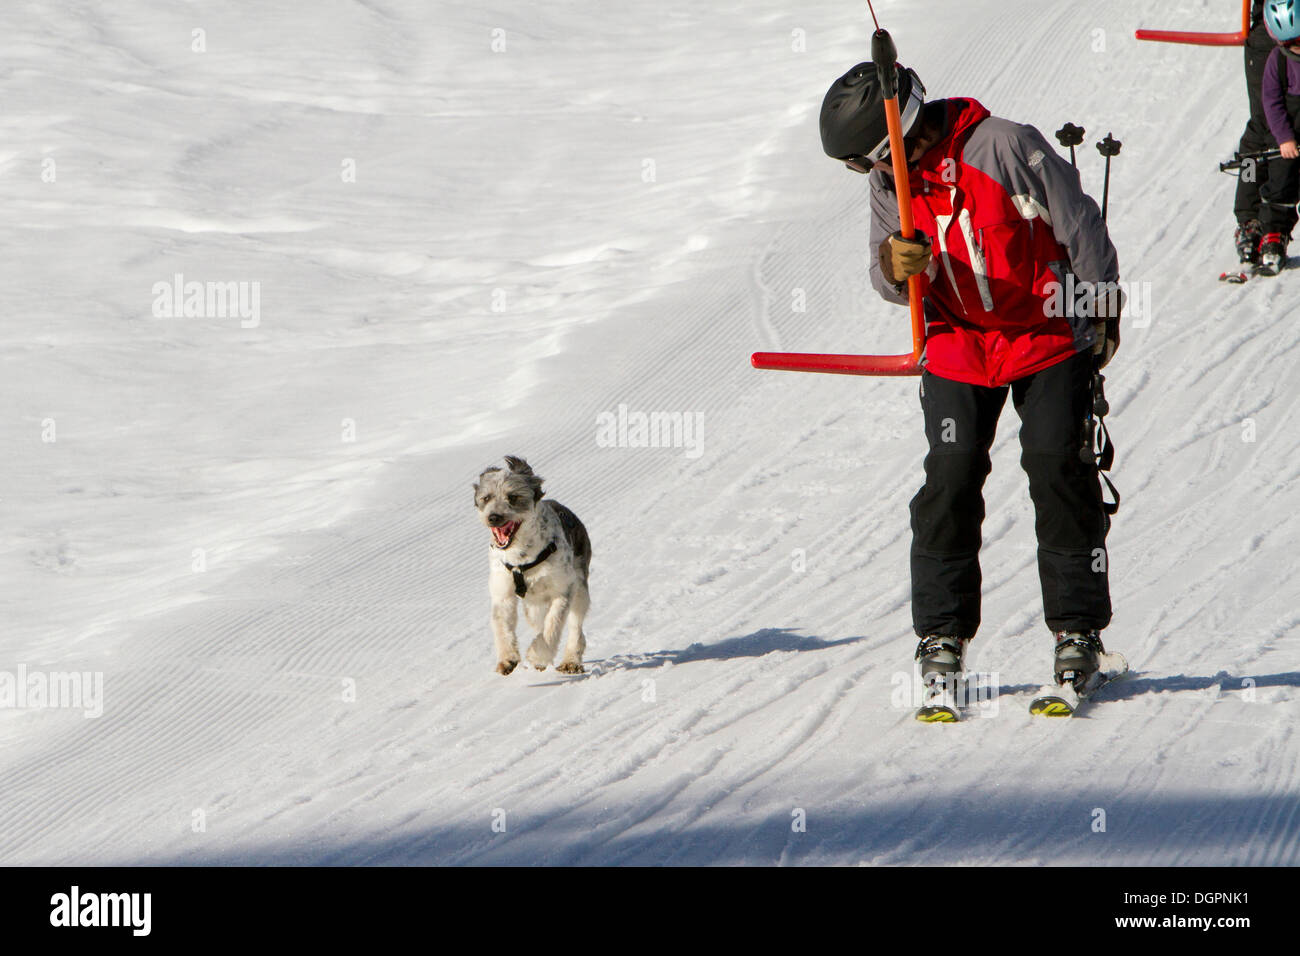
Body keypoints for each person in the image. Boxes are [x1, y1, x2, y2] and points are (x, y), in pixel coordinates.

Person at [818, 62, 1122, 702]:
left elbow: (1081, 226)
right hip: (958, 343)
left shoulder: (1009, 144)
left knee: (1056, 466)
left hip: (1044, 333)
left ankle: (1078, 629)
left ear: (886, 140)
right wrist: (894, 265)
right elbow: (885, 282)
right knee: (950, 478)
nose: (859, 174)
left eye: (859, 160)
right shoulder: (888, 184)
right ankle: (941, 634)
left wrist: (1101, 312)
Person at [1228, 1, 1273, 271]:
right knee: (1260, 133)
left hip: (1268, 33)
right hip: (1268, 35)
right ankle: (1249, 220)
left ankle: (1253, 221)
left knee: (1262, 130)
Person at [1256, 0, 1300, 274]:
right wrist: (1284, 138)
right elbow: (1271, 103)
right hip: (1289, 137)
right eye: (1291, 44)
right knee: (1281, 181)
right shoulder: (1278, 62)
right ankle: (1274, 236)